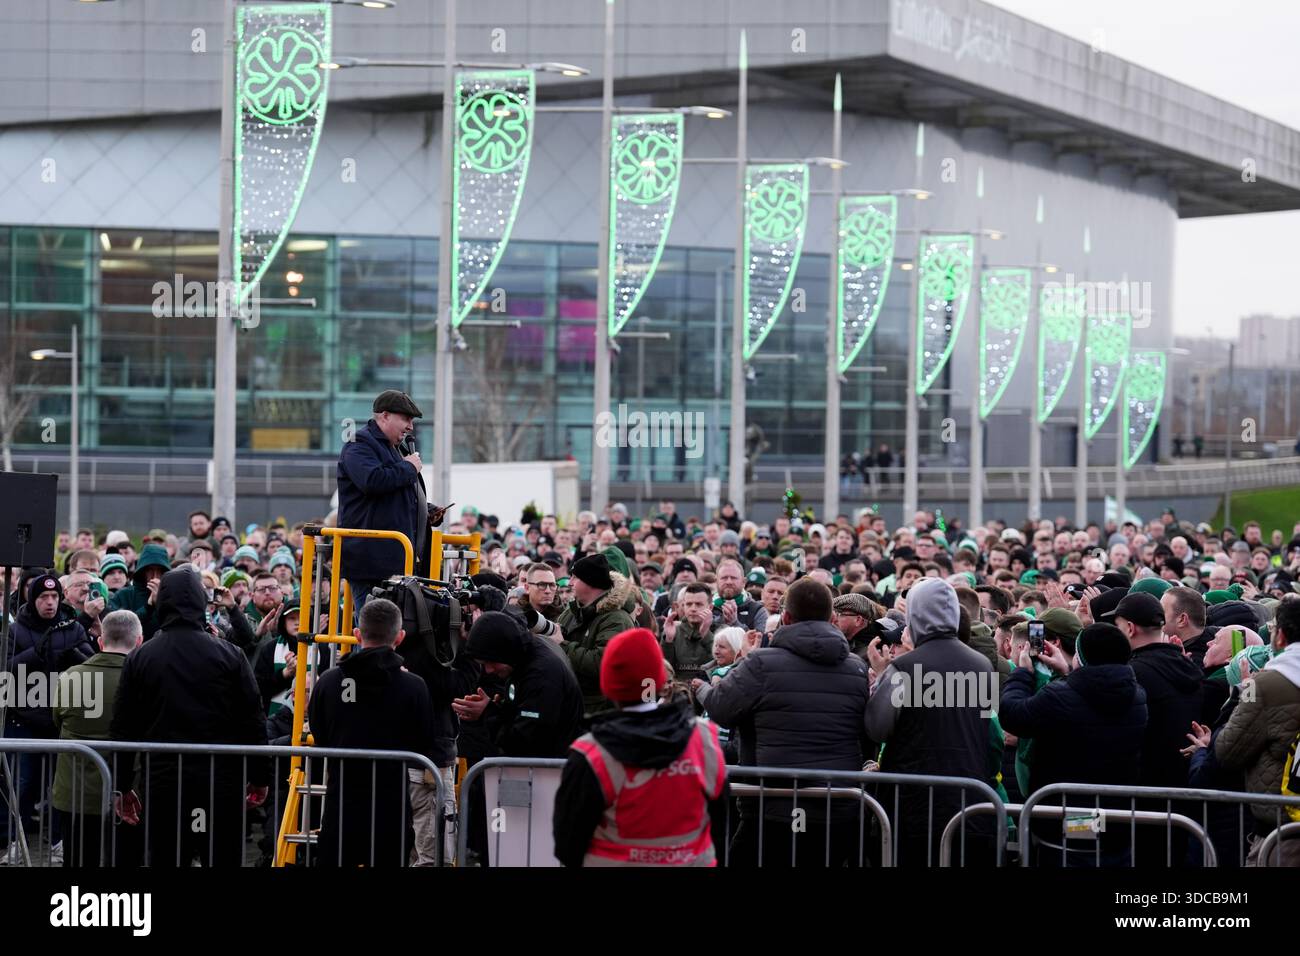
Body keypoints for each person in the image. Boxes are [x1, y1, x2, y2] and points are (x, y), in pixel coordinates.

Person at [694, 577, 871, 867]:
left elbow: (720, 708)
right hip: (836, 808)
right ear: (832, 618)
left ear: (786, 618)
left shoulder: (760, 663)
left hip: (773, 808)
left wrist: (704, 687)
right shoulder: (856, 667)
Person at [110, 567, 270, 867]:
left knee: (167, 857)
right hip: (218, 778)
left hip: (166, 779)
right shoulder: (230, 654)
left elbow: (123, 726)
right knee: (221, 857)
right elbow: (253, 718)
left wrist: (121, 784)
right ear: (200, 601)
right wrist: (260, 776)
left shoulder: (141, 657)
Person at [552, 628, 727, 867]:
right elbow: (719, 820)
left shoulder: (590, 753)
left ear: (608, 684)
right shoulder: (703, 737)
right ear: (660, 680)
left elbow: (568, 842)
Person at [864, 576, 994, 866]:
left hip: (914, 805)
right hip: (970, 801)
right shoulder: (983, 665)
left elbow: (877, 728)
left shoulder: (905, 667)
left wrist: (882, 678)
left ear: (916, 615)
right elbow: (984, 727)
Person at [998, 623, 1148, 866]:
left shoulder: (1060, 697)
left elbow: (1013, 714)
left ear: (1084, 658)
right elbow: (1090, 698)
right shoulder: (1137, 696)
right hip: (1114, 819)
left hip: (1069, 820)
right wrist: (1067, 672)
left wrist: (1023, 673)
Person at [308, 598, 439, 867]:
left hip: (341, 802)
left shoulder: (329, 682)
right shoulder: (414, 686)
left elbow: (320, 734)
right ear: (400, 637)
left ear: (357, 634)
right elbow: (424, 741)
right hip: (390, 804)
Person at [337, 390, 447, 604]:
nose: (410, 427)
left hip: (396, 563)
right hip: (372, 564)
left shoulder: (395, 448)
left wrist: (426, 510)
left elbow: (393, 495)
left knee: (394, 625)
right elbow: (372, 481)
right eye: (406, 419)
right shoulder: (358, 444)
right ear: (385, 416)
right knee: (376, 624)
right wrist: (408, 467)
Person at [51, 610, 143, 868]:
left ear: (101, 641)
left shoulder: (71, 676)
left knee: (78, 860)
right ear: (139, 641)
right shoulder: (144, 678)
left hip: (75, 790)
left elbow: (57, 720)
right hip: (130, 791)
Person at [1215, 596, 1300, 865]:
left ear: (1281, 636)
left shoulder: (1260, 683)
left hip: (1283, 830)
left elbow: (1228, 749)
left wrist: (1243, 692)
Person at [452, 611, 583, 758]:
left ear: (506, 650)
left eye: (491, 662)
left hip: (547, 766)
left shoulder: (541, 674)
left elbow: (524, 742)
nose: (488, 670)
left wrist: (487, 713)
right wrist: (498, 707)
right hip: (547, 762)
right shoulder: (527, 654)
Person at [547, 553, 636, 720]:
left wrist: (563, 645)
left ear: (590, 582)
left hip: (598, 710)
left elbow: (601, 663)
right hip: (570, 702)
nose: (570, 582)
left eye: (575, 577)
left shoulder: (616, 619)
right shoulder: (571, 612)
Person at [107, 542, 172, 638]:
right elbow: (118, 629)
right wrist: (148, 607)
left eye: (160, 570)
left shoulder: (173, 596)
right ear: (142, 571)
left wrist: (162, 602)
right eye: (150, 570)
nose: (155, 576)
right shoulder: (123, 595)